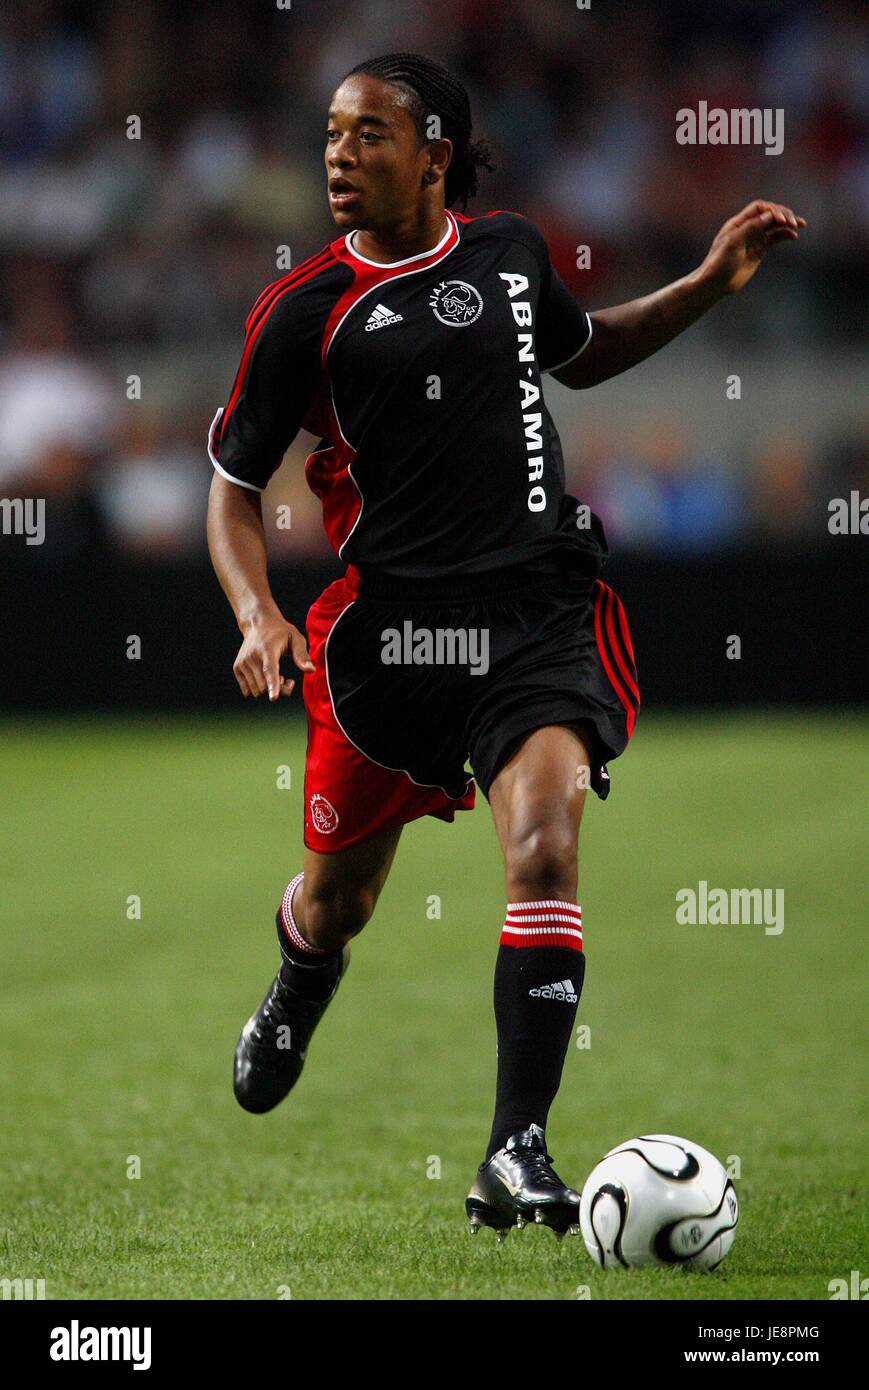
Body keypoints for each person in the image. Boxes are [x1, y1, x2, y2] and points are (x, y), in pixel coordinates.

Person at [206, 52, 805, 1240]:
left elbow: (584, 351)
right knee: (340, 899)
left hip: (535, 608)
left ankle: (511, 1152)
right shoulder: (300, 314)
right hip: (390, 640)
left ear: (434, 154)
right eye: (330, 133)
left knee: (541, 846)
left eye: (367, 134)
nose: (336, 153)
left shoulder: (512, 252)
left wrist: (703, 283)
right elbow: (228, 489)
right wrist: (258, 615)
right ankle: (300, 971)